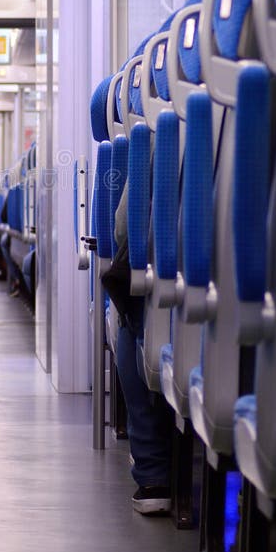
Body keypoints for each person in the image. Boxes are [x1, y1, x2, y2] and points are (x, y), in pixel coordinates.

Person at [102, 180, 173, 515]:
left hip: (166, 293)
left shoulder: (158, 150)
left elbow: (122, 226)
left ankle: (153, 474)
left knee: (129, 323)